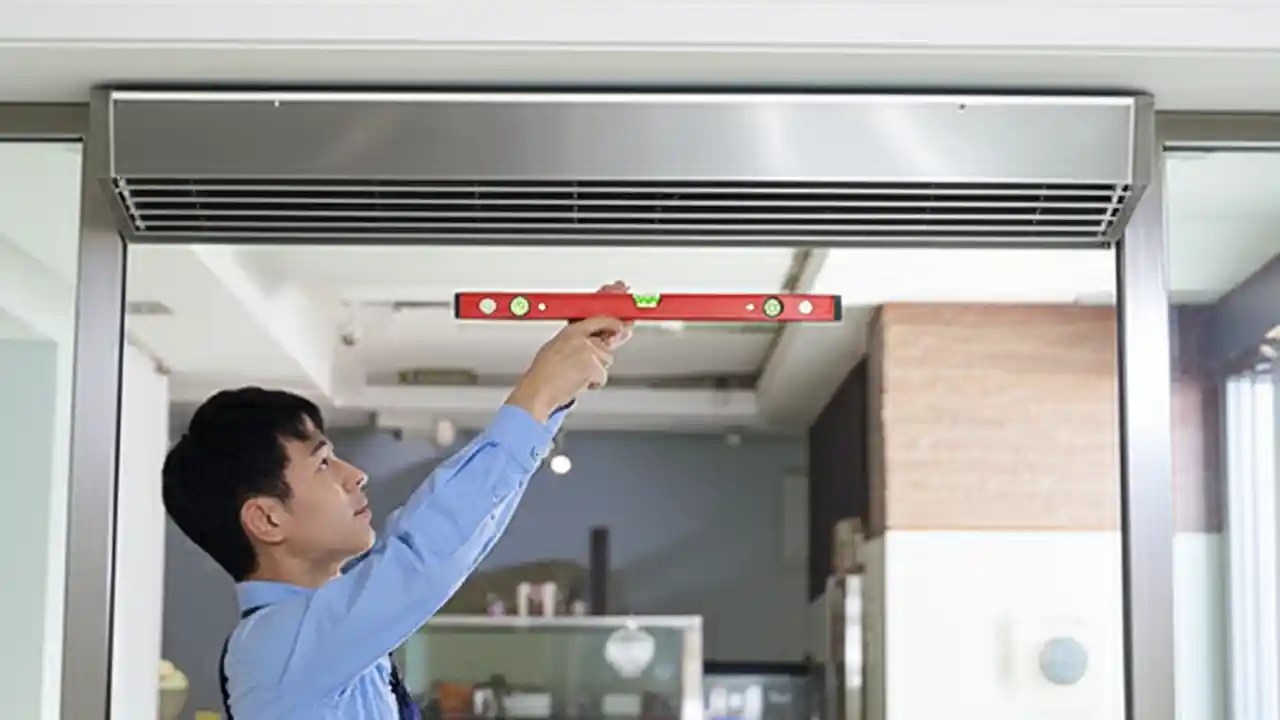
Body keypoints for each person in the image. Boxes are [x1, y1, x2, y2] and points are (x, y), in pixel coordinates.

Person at [162, 283, 634, 719]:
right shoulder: (277, 649)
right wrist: (540, 391)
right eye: (323, 463)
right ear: (266, 518)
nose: (355, 475)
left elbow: (449, 545)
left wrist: (552, 400)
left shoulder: (332, 643)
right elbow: (422, 556)